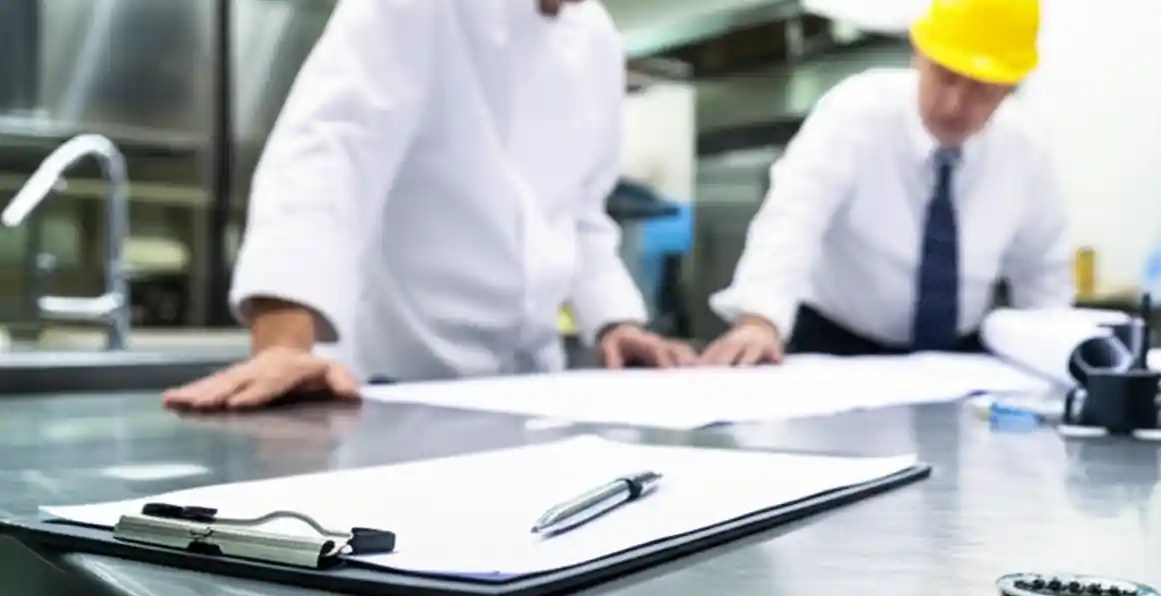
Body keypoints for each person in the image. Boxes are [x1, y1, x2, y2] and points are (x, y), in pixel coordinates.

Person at [164, 0, 694, 411]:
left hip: (528, 387)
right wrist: (284, 344)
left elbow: (580, 214)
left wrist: (615, 324)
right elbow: (331, 153)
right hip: (391, 383)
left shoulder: (596, 36)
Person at [700, 0, 1073, 366]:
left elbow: (1043, 272)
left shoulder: (1024, 150)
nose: (954, 104)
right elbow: (793, 216)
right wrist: (760, 320)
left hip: (958, 357)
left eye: (981, 89)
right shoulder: (855, 112)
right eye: (945, 76)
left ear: (1009, 88)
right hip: (836, 342)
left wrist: (1053, 355)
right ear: (918, 56)